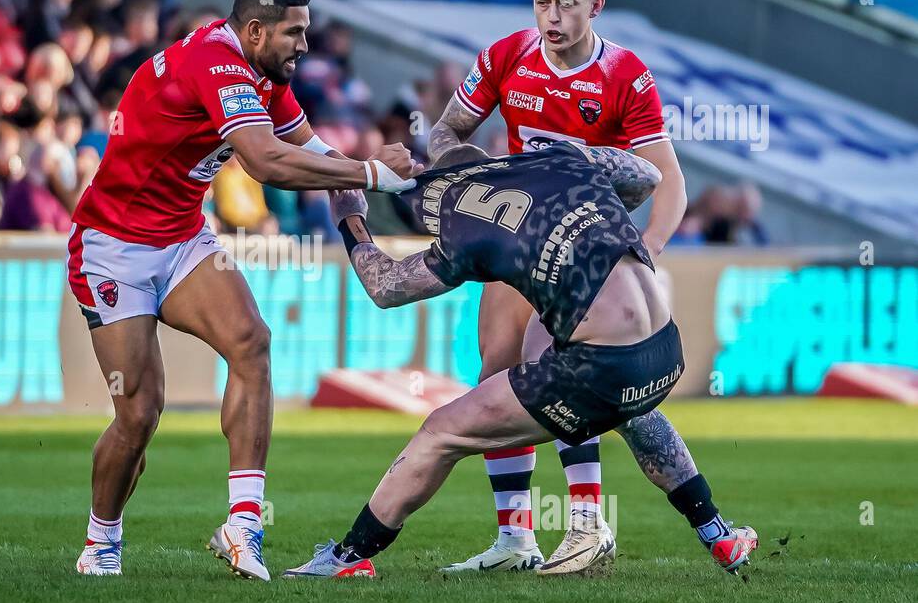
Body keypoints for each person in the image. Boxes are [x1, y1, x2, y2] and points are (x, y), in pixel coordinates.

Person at [68, 0, 416, 580]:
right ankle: (101, 542)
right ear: (254, 30)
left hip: (180, 237)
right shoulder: (215, 61)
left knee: (251, 342)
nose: (304, 44)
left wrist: (368, 194)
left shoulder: (262, 73)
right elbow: (266, 162)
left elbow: (316, 152)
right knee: (140, 415)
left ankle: (243, 523)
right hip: (113, 246)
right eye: (294, 32)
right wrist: (368, 175)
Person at [284, 140, 756, 579]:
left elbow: (384, 287)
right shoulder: (563, 161)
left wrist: (350, 217)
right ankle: (719, 536)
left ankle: (348, 557)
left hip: (601, 365)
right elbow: (647, 176)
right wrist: (579, 171)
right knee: (619, 401)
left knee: (440, 431)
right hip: (665, 351)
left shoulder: (466, 224)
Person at [426, 0, 688, 574]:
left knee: (572, 377)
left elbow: (669, 182)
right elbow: (442, 135)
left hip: (594, 254)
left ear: (594, 6)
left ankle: (587, 524)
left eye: (566, 4)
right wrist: (467, 171)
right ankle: (516, 538)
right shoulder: (504, 57)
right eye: (542, 2)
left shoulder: (626, 75)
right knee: (496, 373)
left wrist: (644, 253)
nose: (552, 16)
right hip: (521, 240)